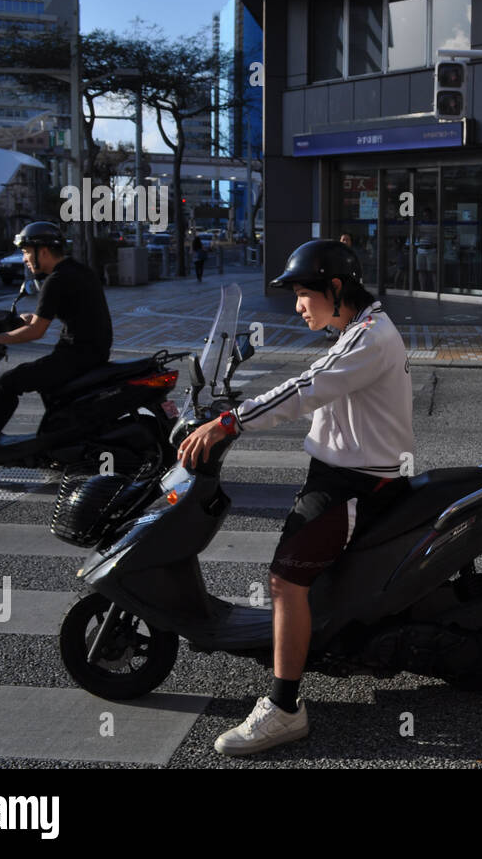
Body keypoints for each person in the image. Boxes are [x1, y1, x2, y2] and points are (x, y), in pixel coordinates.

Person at [177, 239, 414, 755]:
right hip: (341, 472)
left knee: (285, 580)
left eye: (304, 294)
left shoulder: (369, 338)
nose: (297, 306)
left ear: (334, 288)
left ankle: (285, 709)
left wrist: (228, 423)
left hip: (356, 484)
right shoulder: (358, 327)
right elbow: (313, 384)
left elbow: (306, 388)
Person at [0, 222, 112, 451]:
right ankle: (57, 441)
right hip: (94, 351)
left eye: (27, 252)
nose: (25, 259)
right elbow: (77, 310)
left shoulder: (55, 281)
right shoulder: (79, 271)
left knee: (7, 382)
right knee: (45, 384)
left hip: (76, 355)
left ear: (43, 251)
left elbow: (37, 331)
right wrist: (33, 318)